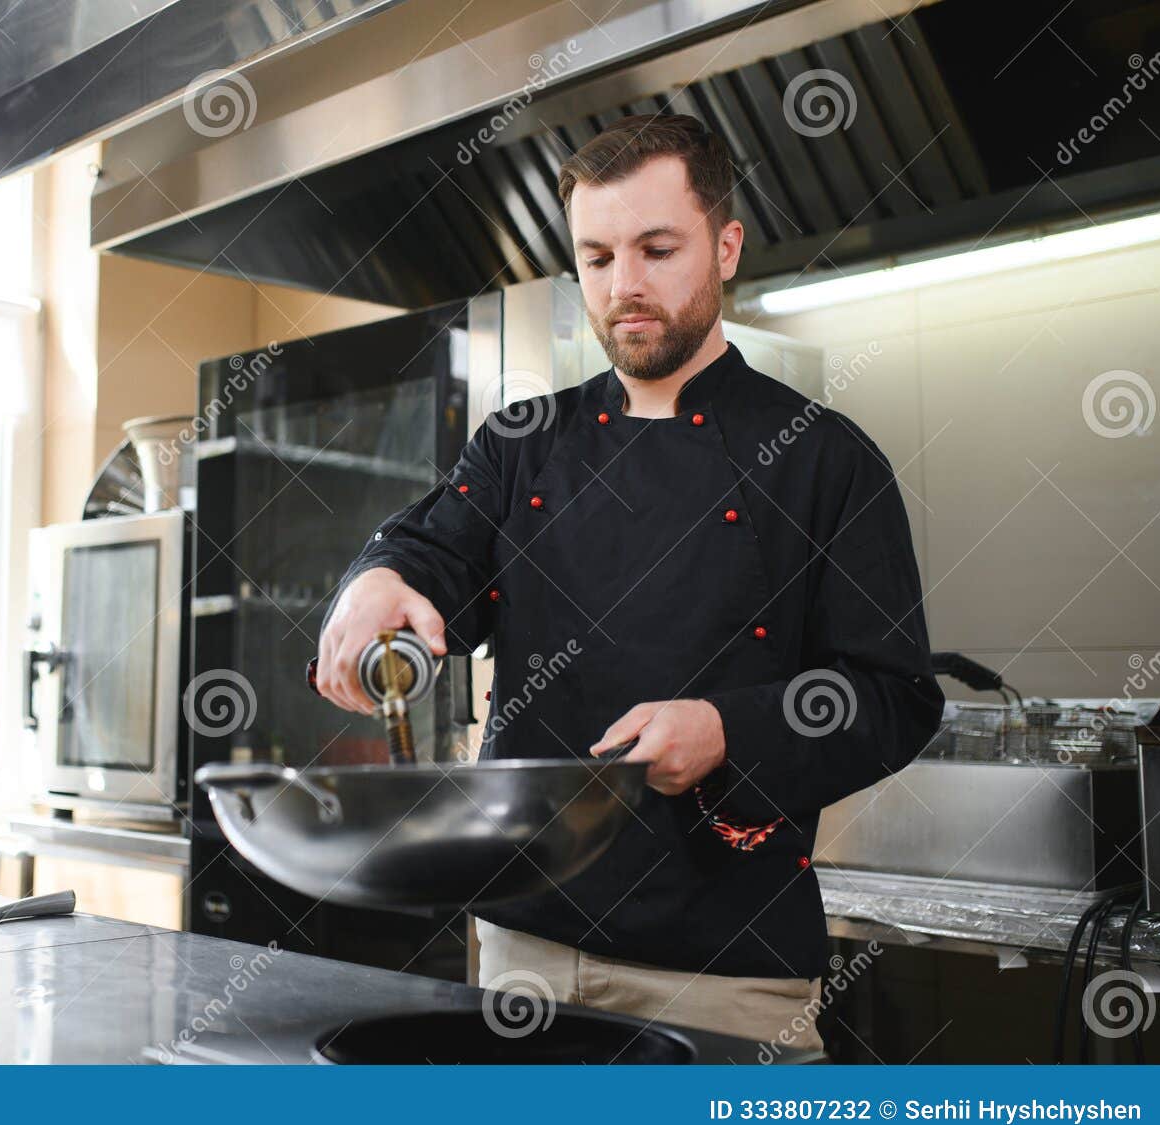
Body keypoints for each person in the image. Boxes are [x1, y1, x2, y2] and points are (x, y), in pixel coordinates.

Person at [314, 113, 943, 1051]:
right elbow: (436, 554)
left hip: (728, 970)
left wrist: (730, 729)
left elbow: (894, 698)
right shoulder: (522, 444)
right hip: (526, 944)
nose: (626, 287)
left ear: (726, 247)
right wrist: (378, 577)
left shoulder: (826, 463)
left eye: (657, 249)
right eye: (598, 257)